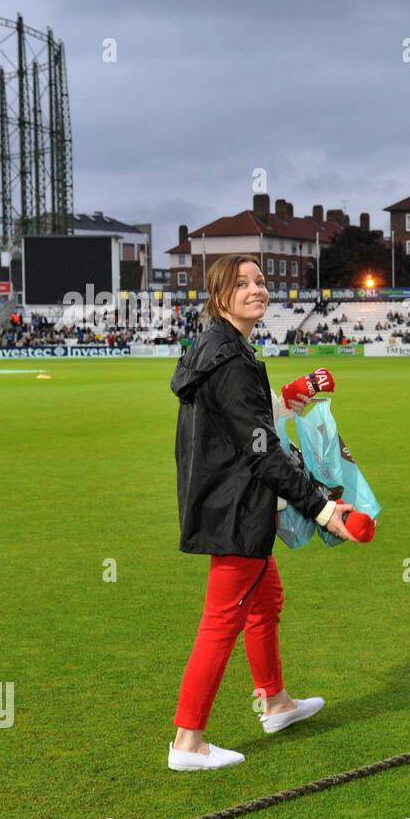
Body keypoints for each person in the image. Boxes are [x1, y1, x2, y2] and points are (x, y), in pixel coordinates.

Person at [167, 254, 358, 771]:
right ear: (220, 295)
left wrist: (286, 400)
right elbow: (261, 451)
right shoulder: (229, 358)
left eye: (261, 281)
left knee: (264, 598)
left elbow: (244, 421)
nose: (257, 289)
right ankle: (188, 741)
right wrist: (322, 509)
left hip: (223, 499)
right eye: (243, 283)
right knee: (221, 620)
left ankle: (274, 702)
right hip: (235, 505)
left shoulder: (220, 347)